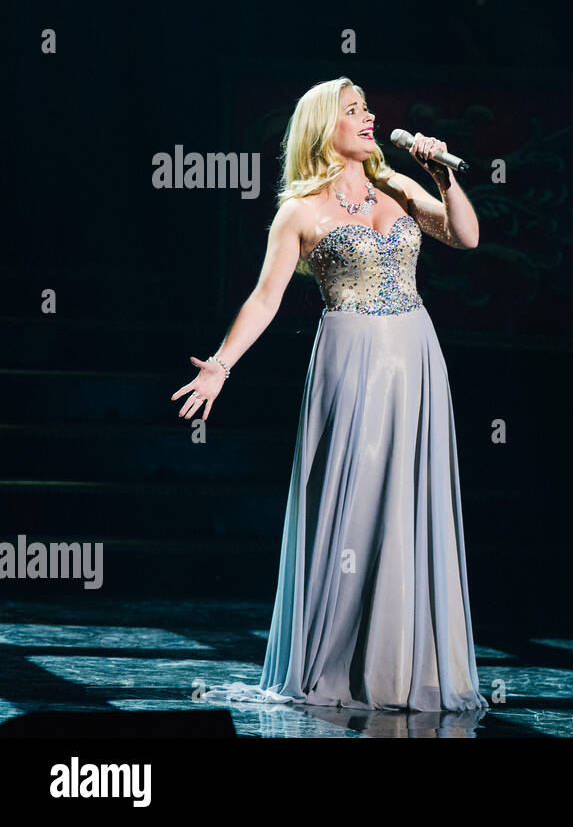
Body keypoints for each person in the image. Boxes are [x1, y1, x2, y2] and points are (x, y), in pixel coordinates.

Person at [172, 76, 489, 713]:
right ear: (324, 128)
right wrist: (222, 366)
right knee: (354, 504)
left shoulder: (397, 186)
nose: (368, 117)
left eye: (368, 107)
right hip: (354, 361)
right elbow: (266, 297)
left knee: (410, 503)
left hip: (416, 358)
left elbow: (466, 236)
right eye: (353, 110)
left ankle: (404, 667)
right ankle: (335, 662)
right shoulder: (301, 211)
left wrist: (441, 176)